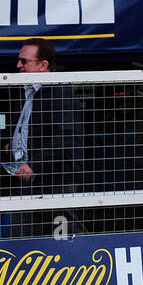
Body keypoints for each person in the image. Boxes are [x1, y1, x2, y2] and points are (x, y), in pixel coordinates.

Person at [5, 38, 85, 238]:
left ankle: (82, 263)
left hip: (55, 177)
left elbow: (65, 137)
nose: (18, 66)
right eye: (19, 61)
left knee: (62, 233)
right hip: (27, 175)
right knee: (22, 233)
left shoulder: (60, 94)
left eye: (24, 61)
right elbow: (24, 127)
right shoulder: (26, 92)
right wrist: (11, 144)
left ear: (43, 65)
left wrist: (34, 163)